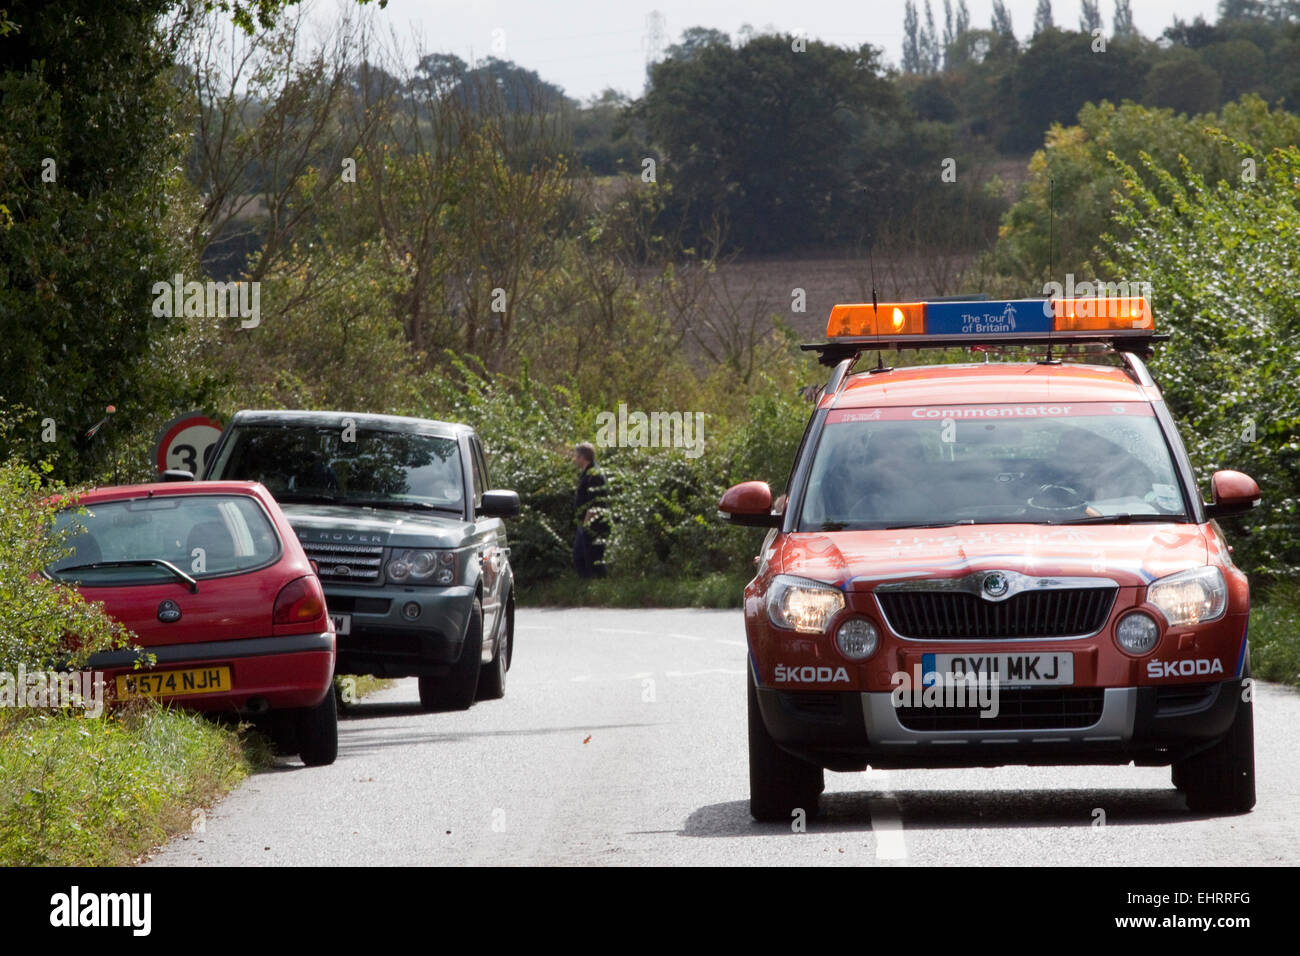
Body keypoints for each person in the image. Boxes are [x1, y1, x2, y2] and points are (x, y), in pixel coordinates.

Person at [572, 442, 609, 578]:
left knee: (593, 559)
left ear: (583, 457)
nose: (575, 459)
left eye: (576, 456)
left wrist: (586, 525)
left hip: (593, 525)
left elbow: (595, 503)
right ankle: (588, 587)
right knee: (580, 558)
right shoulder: (586, 474)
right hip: (585, 523)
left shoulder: (594, 475)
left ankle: (599, 588)